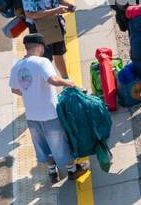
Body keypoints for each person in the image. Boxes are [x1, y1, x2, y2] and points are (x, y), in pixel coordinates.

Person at [9, 34, 88, 183]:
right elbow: (52, 79)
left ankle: (52, 173)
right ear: (40, 47)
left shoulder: (16, 67)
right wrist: (68, 83)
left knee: (43, 144)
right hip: (49, 113)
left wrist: (29, 93)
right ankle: (72, 170)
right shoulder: (42, 62)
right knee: (59, 143)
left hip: (31, 116)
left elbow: (14, 89)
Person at [20, 0, 77, 76]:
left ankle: (65, 81)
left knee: (59, 52)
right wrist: (55, 11)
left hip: (54, 23)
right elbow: (30, 14)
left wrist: (68, 4)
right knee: (44, 60)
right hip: (38, 28)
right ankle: (48, 86)